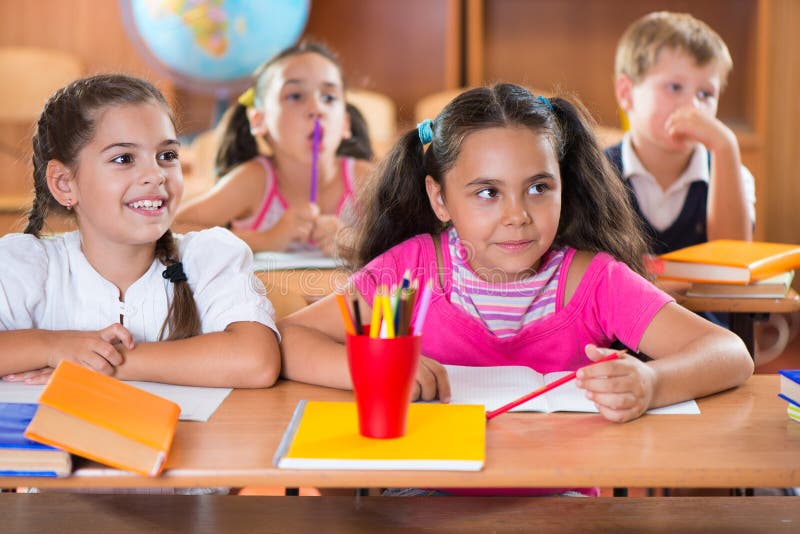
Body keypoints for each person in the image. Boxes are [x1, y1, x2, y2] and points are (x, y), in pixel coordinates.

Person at [279, 84, 753, 427]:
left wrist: (650, 383)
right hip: (425, 497)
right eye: (487, 192)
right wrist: (374, 368)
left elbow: (728, 353)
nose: (517, 216)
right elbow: (292, 336)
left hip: (563, 504)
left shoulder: (594, 281)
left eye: (538, 188)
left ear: (563, 186)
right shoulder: (410, 271)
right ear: (440, 199)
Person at [0, 74, 280, 388]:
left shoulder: (208, 259)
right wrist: (51, 346)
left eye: (167, 156)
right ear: (65, 183)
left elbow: (257, 361)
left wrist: (107, 363)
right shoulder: (26, 268)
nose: (155, 175)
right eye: (124, 158)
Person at [175, 42, 374, 256]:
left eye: (329, 97)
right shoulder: (254, 181)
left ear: (345, 123)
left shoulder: (366, 180)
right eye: (295, 96)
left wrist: (358, 241)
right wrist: (266, 239)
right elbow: (176, 229)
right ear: (259, 120)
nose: (317, 109)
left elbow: (412, 237)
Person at [606, 11, 754, 255]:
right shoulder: (595, 173)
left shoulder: (731, 173)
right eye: (674, 87)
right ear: (626, 93)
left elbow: (733, 260)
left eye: (705, 94)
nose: (693, 106)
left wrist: (725, 146)